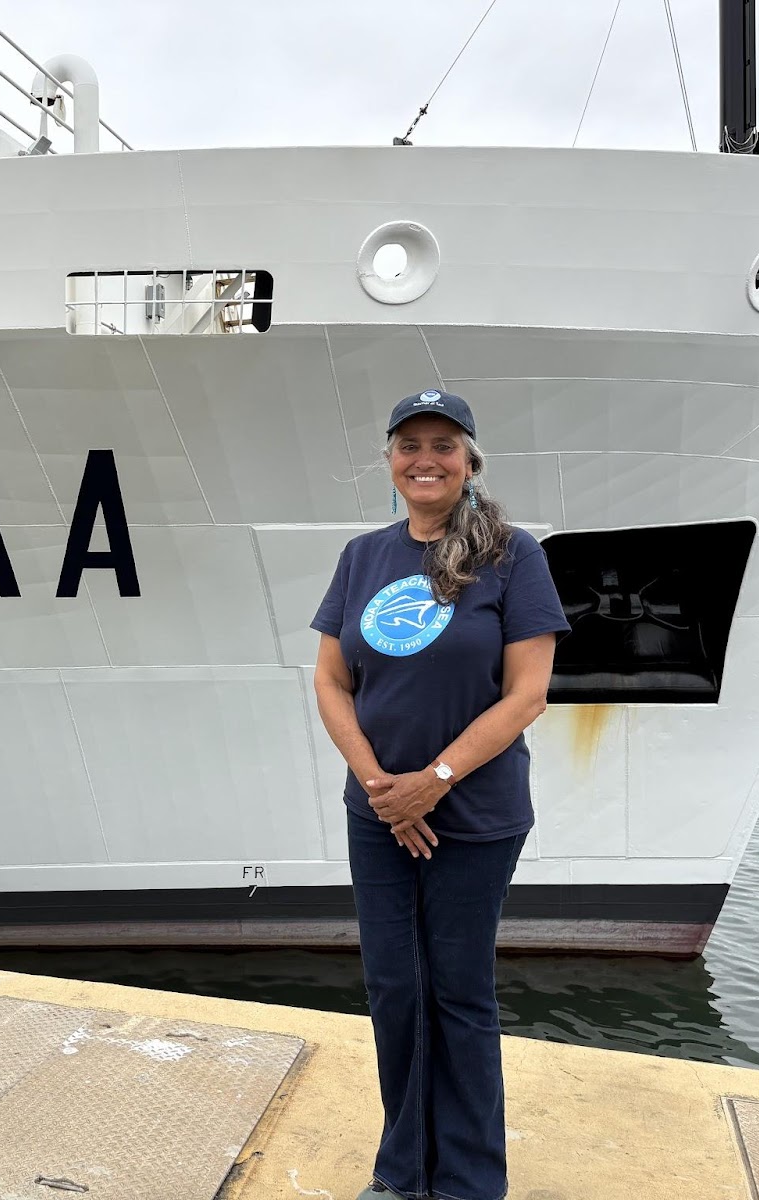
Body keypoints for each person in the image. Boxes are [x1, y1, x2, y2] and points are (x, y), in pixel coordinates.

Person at [311, 388, 568, 1200]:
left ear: (468, 460)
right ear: (389, 459)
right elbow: (328, 679)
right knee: (394, 989)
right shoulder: (363, 556)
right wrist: (381, 785)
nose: (425, 459)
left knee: (456, 992)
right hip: (379, 813)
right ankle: (402, 1175)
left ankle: (464, 1183)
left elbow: (527, 694)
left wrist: (435, 783)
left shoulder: (512, 555)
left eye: (443, 445)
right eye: (409, 444)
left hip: (475, 815)